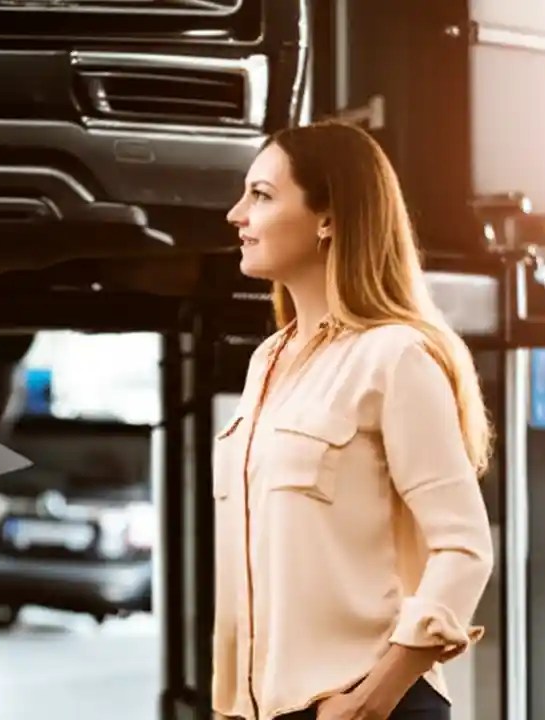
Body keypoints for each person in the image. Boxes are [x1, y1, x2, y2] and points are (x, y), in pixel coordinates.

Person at [212, 121, 496, 720]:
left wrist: (372, 699)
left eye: (261, 195)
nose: (237, 214)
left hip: (369, 706)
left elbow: (465, 548)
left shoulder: (394, 357)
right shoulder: (268, 360)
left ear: (329, 217)